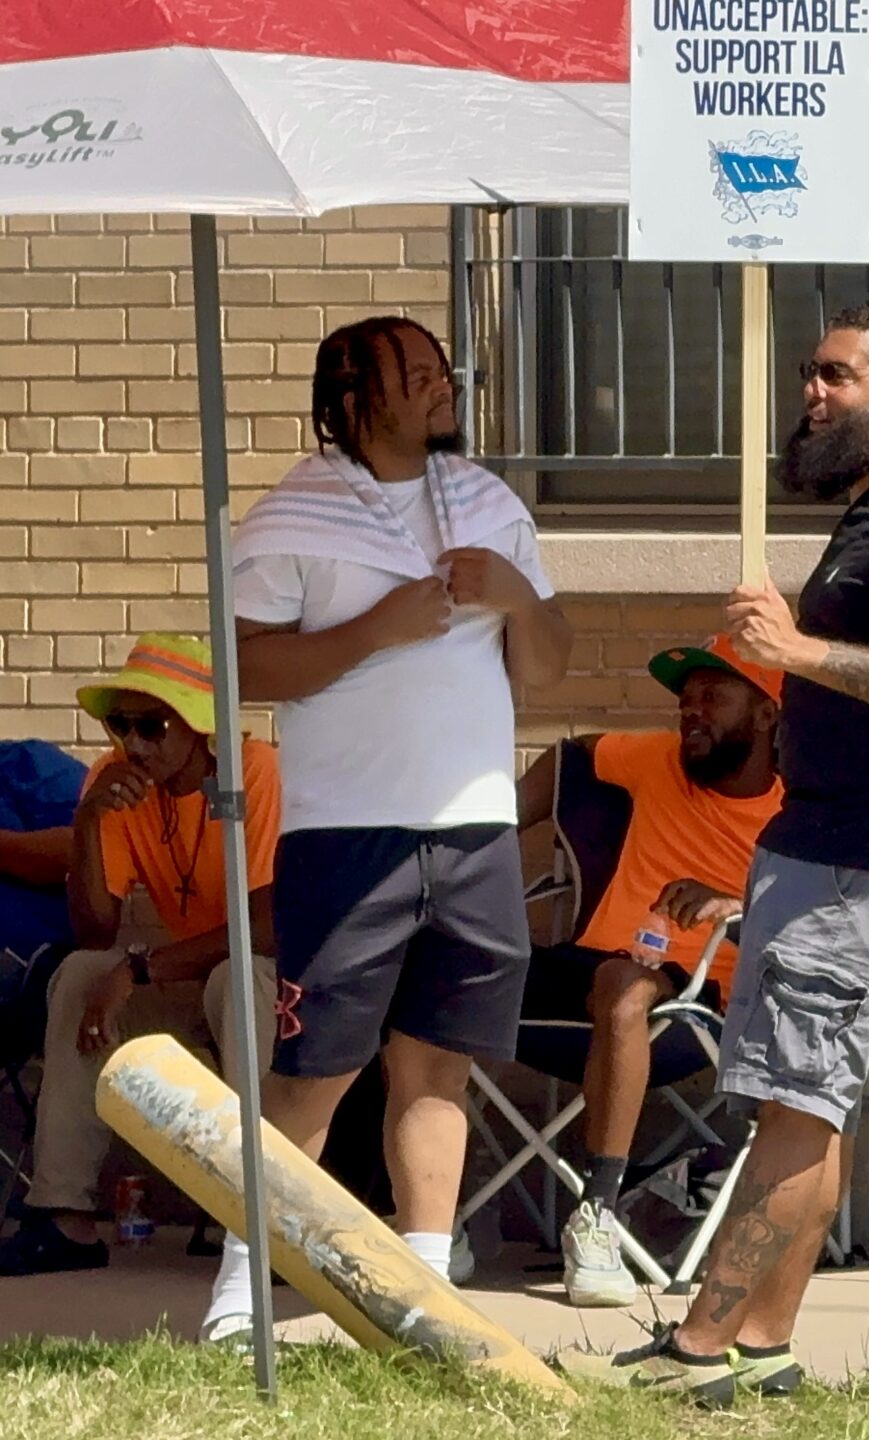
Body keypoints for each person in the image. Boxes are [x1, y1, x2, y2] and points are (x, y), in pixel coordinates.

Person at [563, 305, 869, 1404]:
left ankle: (697, 1351)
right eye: (807, 376)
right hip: (827, 844)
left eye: (836, 377)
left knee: (799, 1102)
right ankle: (761, 1345)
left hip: (866, 851)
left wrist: (794, 651)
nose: (811, 393)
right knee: (809, 1105)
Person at [203, 316, 572, 1341]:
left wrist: (514, 599)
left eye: (440, 369)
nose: (439, 385)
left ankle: (423, 1288)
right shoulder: (296, 514)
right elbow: (237, 667)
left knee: (440, 1064)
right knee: (312, 1070)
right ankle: (246, 1279)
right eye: (414, 375)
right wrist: (375, 631)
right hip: (345, 831)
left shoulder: (491, 505)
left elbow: (544, 667)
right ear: (353, 401)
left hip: (475, 831)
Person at [516, 632, 785, 1307]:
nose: (691, 711)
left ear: (766, 714)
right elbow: (569, 755)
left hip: (697, 999)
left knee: (624, 987)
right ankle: (428, 1224)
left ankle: (598, 1215)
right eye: (686, 698)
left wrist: (735, 902)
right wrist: (495, 824)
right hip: (589, 966)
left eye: (713, 696)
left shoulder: (795, 813)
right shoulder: (654, 760)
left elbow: (825, 914)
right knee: (445, 967)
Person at [0, 635, 280, 1275]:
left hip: (269, 981)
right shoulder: (112, 782)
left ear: (201, 727)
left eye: (152, 726)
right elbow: (96, 933)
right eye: (120, 725)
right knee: (78, 974)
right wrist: (89, 824)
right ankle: (64, 1217)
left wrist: (144, 967)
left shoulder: (254, 771)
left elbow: (270, 924)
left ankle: (262, 1216)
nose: (135, 744)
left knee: (239, 981)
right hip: (181, 981)